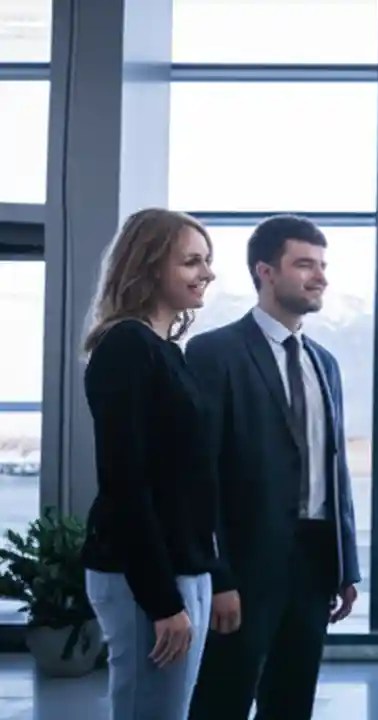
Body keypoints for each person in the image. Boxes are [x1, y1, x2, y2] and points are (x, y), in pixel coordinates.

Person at [186, 215, 360, 720]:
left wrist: (345, 564)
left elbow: (335, 471)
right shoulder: (215, 353)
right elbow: (202, 477)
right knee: (223, 700)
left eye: (323, 265)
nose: (320, 276)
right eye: (304, 264)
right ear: (265, 271)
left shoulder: (324, 362)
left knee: (291, 702)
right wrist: (217, 577)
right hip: (243, 567)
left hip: (313, 564)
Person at [80, 208, 219, 718]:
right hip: (147, 574)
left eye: (207, 261)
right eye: (191, 261)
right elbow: (125, 483)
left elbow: (189, 480)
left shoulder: (165, 350)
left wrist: (208, 572)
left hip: (182, 565)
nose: (207, 273)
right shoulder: (126, 347)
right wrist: (162, 600)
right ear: (148, 265)